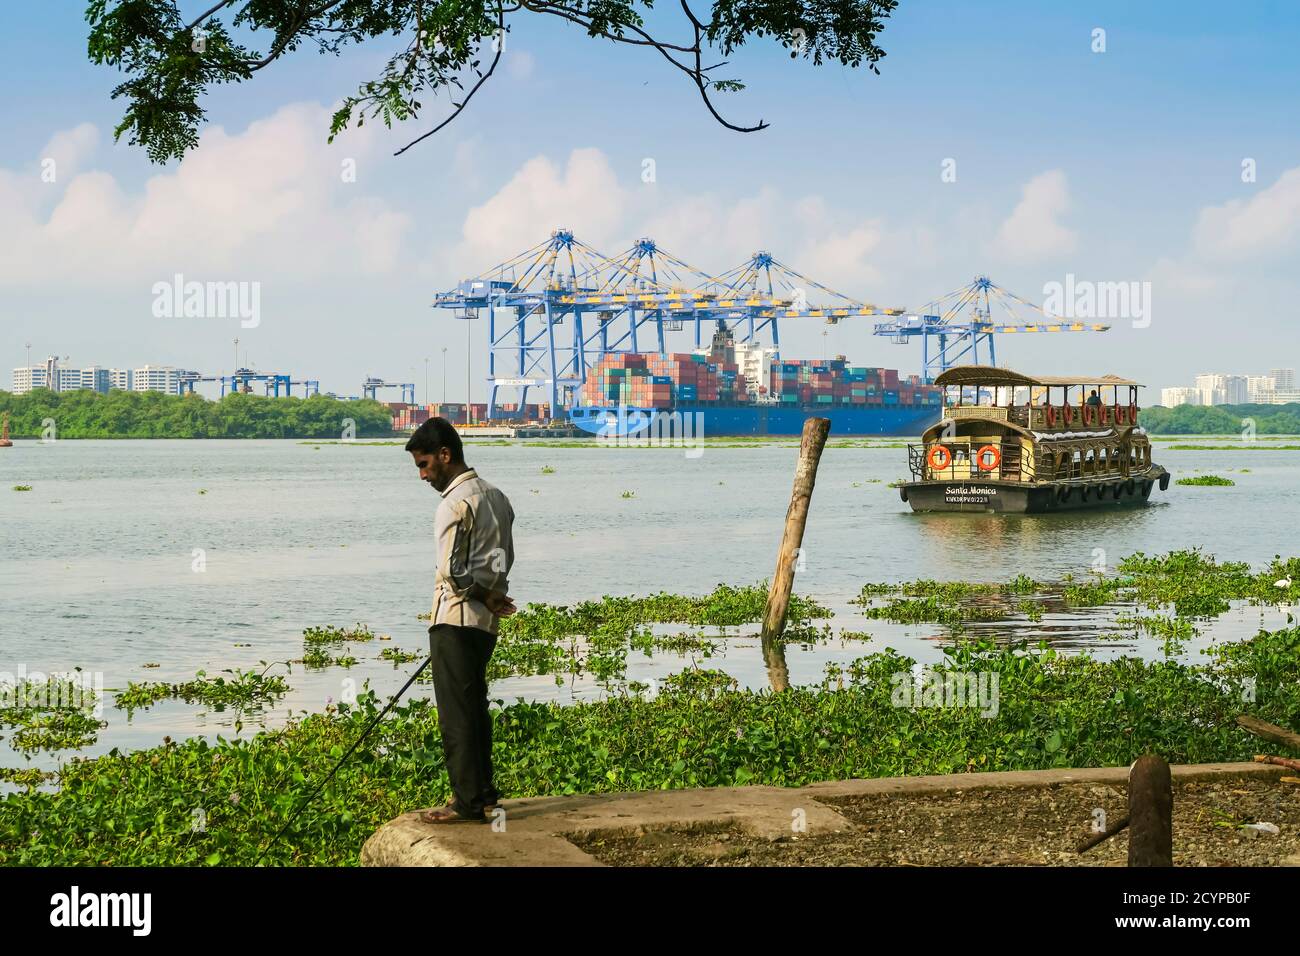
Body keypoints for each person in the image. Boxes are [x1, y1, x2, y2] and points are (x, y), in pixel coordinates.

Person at [405, 417, 516, 824]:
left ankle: (468, 803)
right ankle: (483, 795)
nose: (422, 475)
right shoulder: (498, 497)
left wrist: (481, 594)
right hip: (485, 624)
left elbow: (451, 572)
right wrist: (492, 594)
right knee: (475, 707)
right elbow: (506, 558)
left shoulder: (453, 504)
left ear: (445, 455)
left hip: (454, 619)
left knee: (456, 714)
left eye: (424, 464)